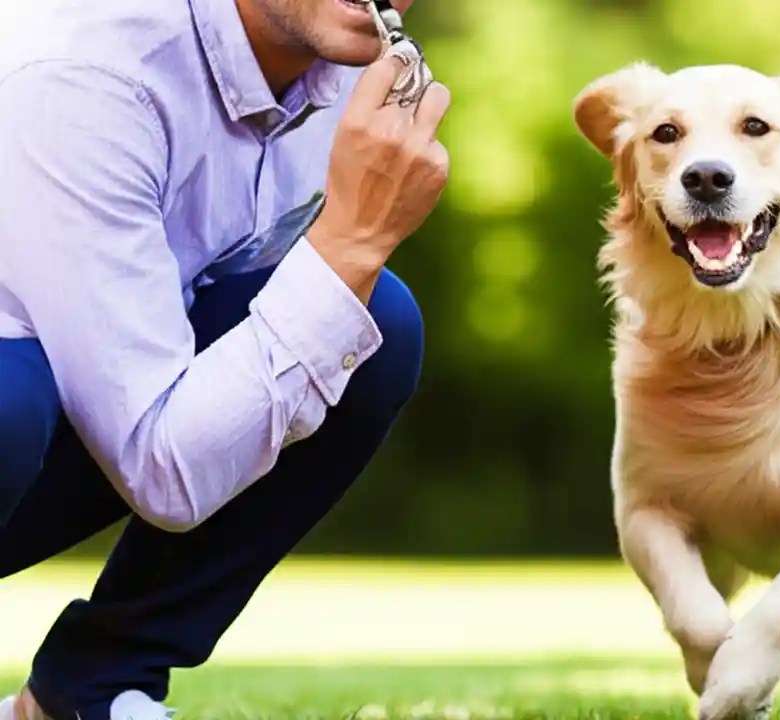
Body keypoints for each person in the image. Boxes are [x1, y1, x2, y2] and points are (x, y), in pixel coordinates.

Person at [0, 0, 450, 717]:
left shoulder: (343, 77)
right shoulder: (84, 71)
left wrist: (344, 273)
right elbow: (163, 471)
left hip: (71, 393)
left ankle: (89, 693)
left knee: (371, 326)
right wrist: (353, 242)